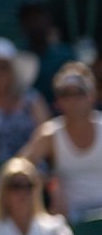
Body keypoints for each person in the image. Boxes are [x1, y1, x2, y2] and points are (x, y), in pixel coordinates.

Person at [21, 63, 102, 223]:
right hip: (69, 220)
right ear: (58, 101)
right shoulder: (49, 134)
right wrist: (48, 183)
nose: (72, 100)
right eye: (65, 94)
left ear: (91, 96)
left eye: (78, 93)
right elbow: (18, 168)